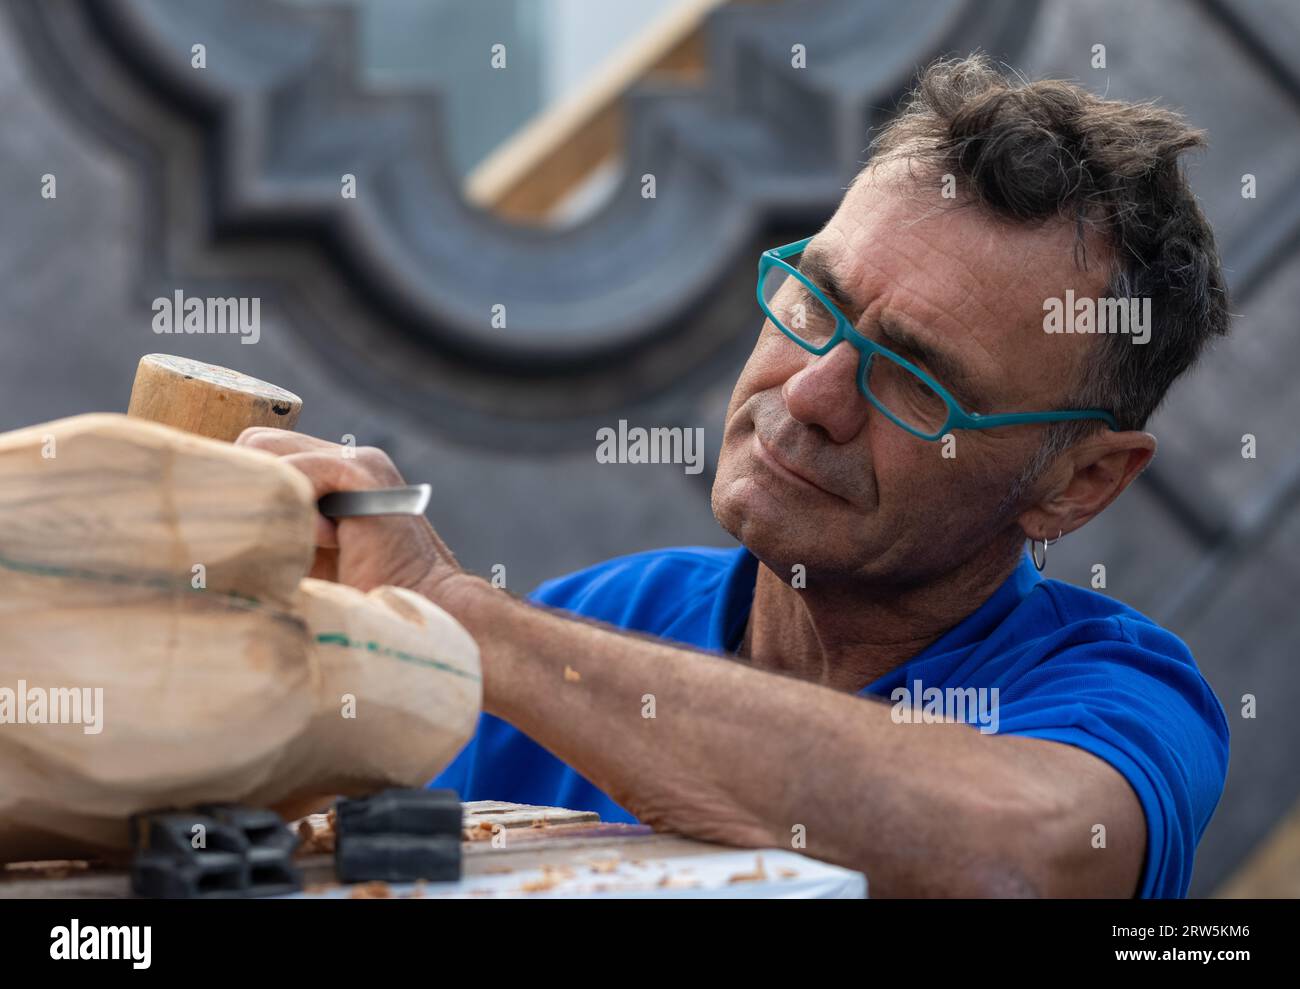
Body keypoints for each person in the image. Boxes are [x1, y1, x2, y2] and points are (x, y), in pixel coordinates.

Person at [239, 55, 1231, 897]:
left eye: (920, 380)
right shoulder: (605, 610)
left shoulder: (1118, 694)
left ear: (1079, 479)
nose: (808, 397)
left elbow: (1025, 848)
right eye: (814, 303)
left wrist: (449, 609)